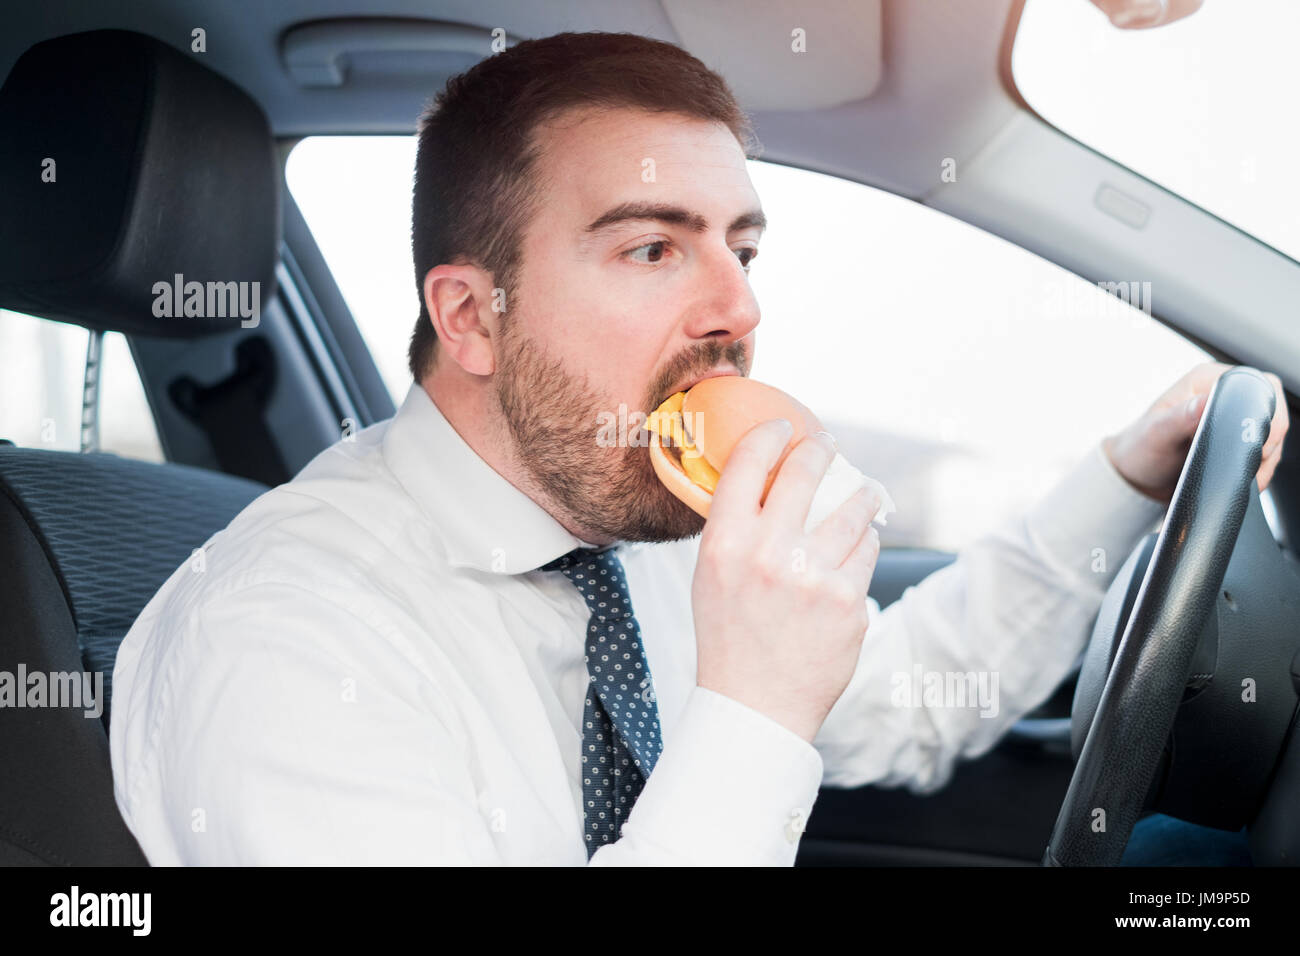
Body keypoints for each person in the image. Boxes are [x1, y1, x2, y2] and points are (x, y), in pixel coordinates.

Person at [110, 32, 1287, 865]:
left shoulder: (642, 521)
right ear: (472, 315)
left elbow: (906, 701)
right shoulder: (284, 646)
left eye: (742, 246)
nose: (738, 308)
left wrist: (1129, 472)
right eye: (650, 249)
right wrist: (754, 711)